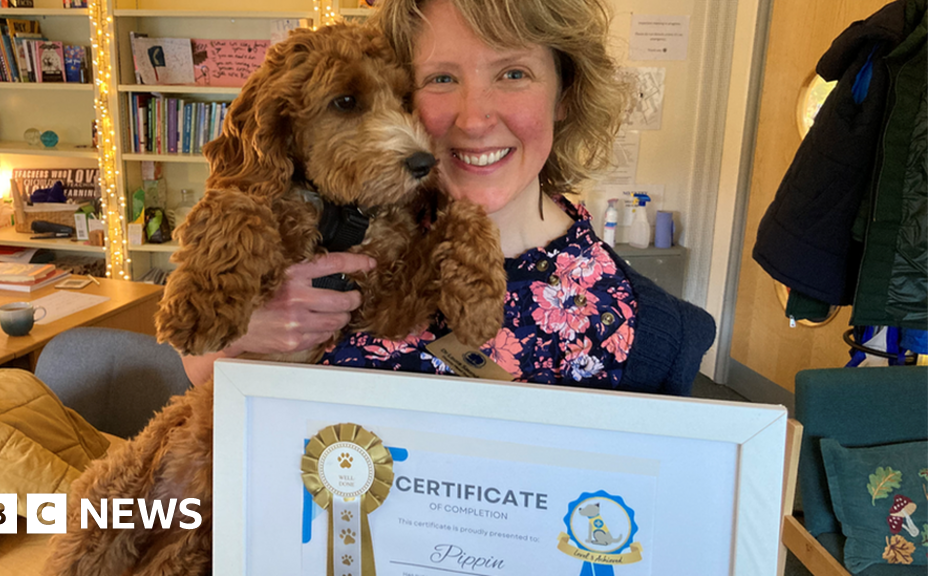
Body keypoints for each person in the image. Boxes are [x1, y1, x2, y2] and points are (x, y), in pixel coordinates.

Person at [182, 0, 713, 393]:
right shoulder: (336, 230)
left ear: (564, 97)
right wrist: (241, 334)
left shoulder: (649, 332)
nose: (474, 118)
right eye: (440, 78)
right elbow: (201, 373)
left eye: (513, 73)